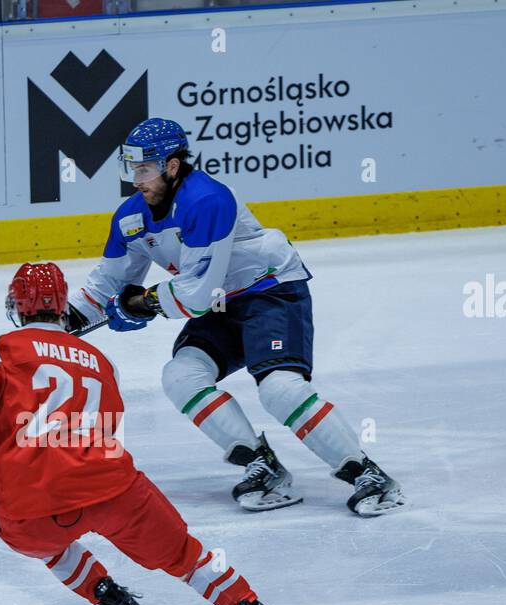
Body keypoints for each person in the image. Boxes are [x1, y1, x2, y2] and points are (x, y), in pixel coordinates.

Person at [0, 261, 310, 605]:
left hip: (30, 511)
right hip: (113, 491)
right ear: (61, 309)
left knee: (47, 545)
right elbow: (83, 426)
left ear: (16, 307)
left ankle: (105, 593)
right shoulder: (98, 360)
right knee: (186, 558)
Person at [63, 117, 404, 515]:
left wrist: (144, 304)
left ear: (173, 166)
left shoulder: (207, 199)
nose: (136, 180)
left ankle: (367, 474)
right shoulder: (131, 217)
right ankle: (263, 465)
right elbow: (107, 283)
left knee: (279, 389)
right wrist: (60, 323)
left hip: (268, 291)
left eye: (145, 170)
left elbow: (196, 294)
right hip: (221, 303)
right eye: (131, 169)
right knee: (181, 376)